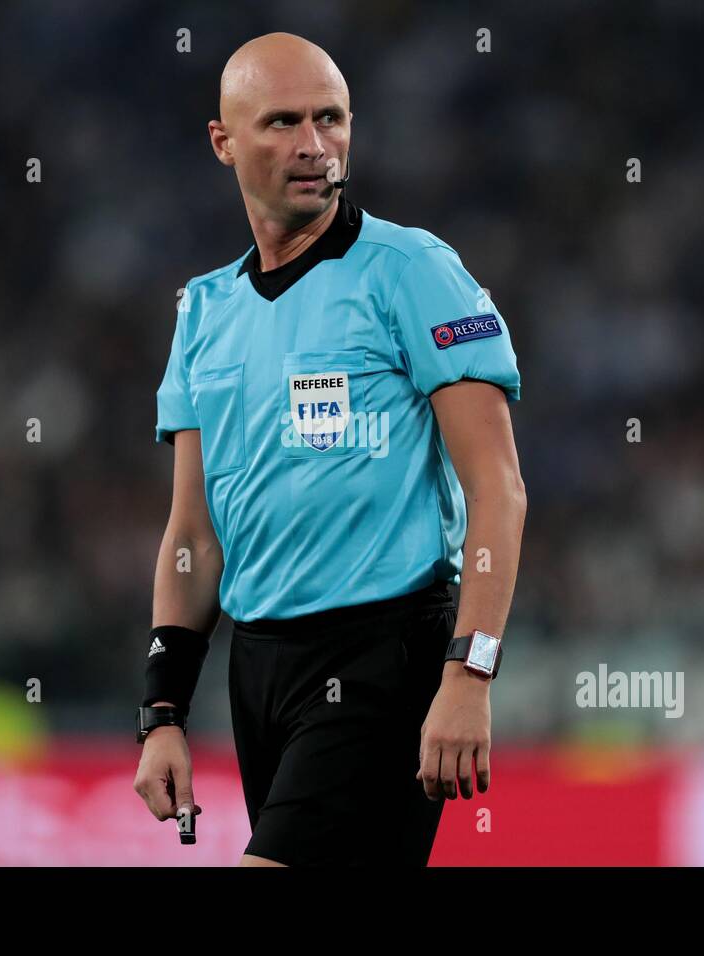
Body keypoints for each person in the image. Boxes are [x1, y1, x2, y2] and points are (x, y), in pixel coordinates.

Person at [132, 32, 525, 866]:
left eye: (331, 119)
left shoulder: (413, 271)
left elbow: (498, 488)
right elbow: (194, 535)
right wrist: (162, 713)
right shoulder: (204, 312)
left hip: (385, 655)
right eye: (282, 123)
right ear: (224, 141)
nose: (314, 147)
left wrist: (469, 674)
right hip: (260, 666)